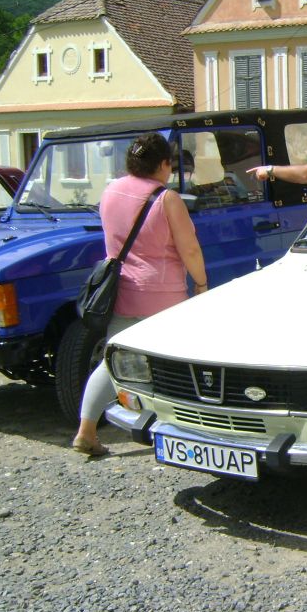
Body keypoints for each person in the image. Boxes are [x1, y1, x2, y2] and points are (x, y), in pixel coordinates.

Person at [71, 132, 208, 456]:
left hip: (121, 292)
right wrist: (201, 285)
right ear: (162, 164)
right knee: (175, 364)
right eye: (169, 164)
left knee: (111, 363)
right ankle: (183, 431)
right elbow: (189, 248)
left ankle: (86, 430)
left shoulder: (110, 191)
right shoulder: (166, 199)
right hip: (163, 294)